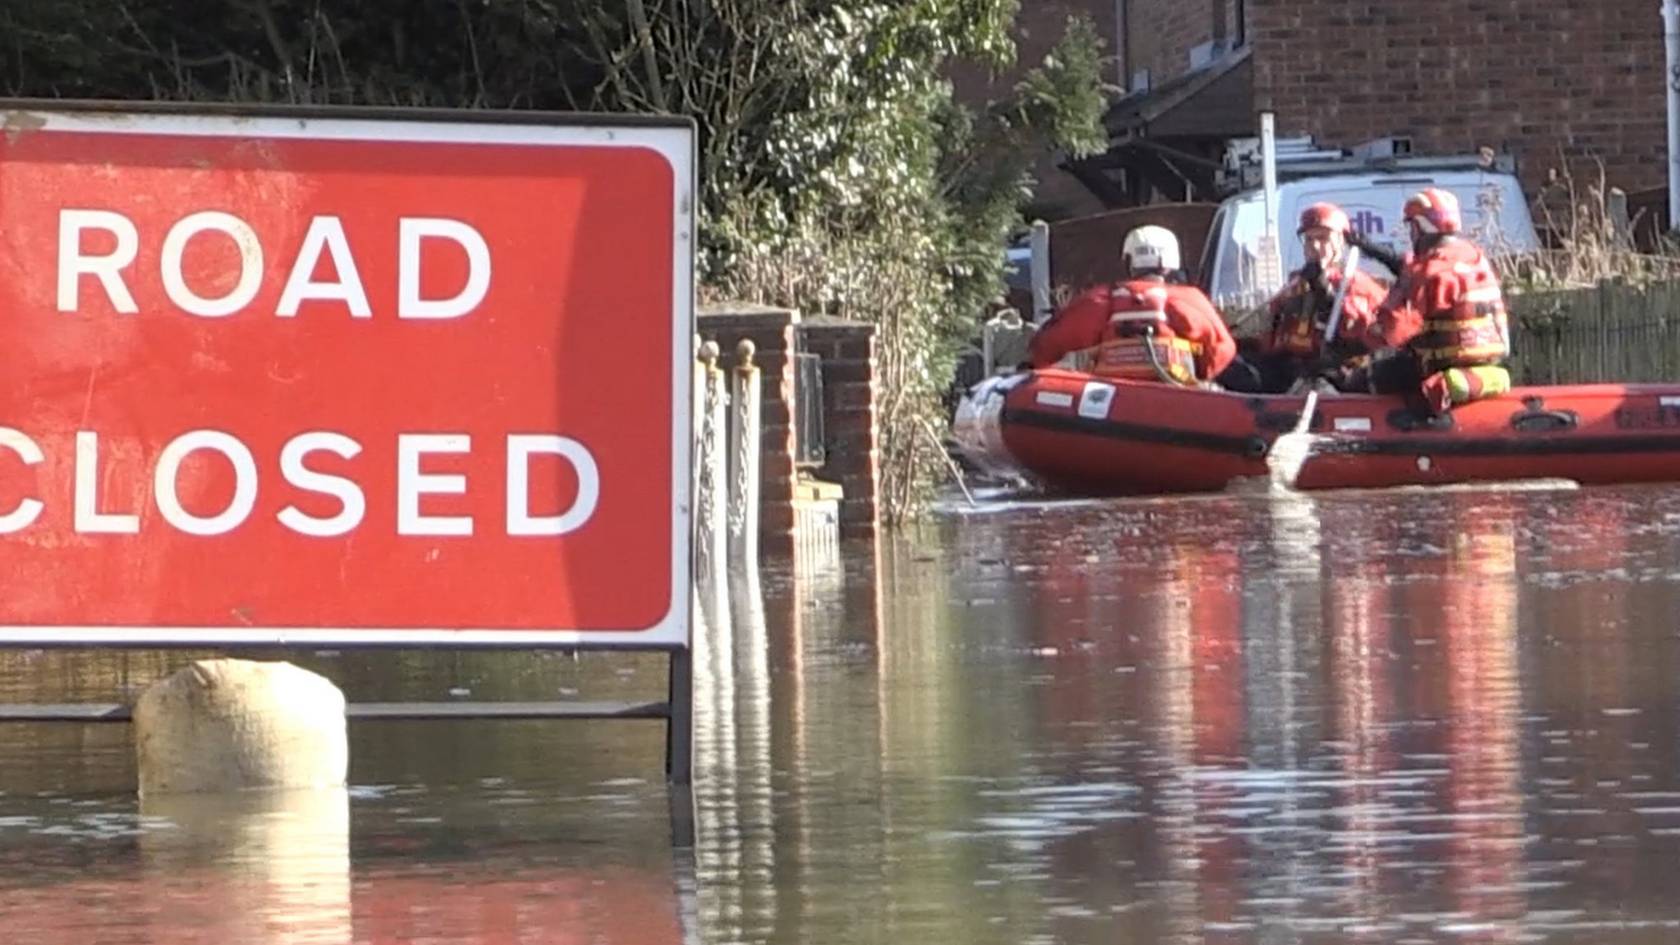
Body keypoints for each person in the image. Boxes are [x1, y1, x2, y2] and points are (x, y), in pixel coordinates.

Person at [1361, 187, 1511, 415]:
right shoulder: (1476, 259)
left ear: (1420, 227)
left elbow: (1391, 331)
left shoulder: (1428, 272)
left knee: (1372, 376)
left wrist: (1357, 342)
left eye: (1411, 227)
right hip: (1487, 365)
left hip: (1442, 368)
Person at [1026, 225, 1237, 386]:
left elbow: (1048, 345)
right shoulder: (1190, 300)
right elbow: (1222, 349)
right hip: (1177, 397)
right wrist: (1201, 375)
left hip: (1109, 402)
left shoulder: (1099, 301)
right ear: (1172, 262)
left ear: (1127, 262)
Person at [1252, 203, 1390, 393]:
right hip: (1291, 370)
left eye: (1323, 238)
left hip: (1335, 376)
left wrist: (1325, 293)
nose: (1315, 246)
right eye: (1309, 239)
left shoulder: (1357, 285)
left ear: (1341, 241)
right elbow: (1271, 334)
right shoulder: (1295, 284)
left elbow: (1358, 335)